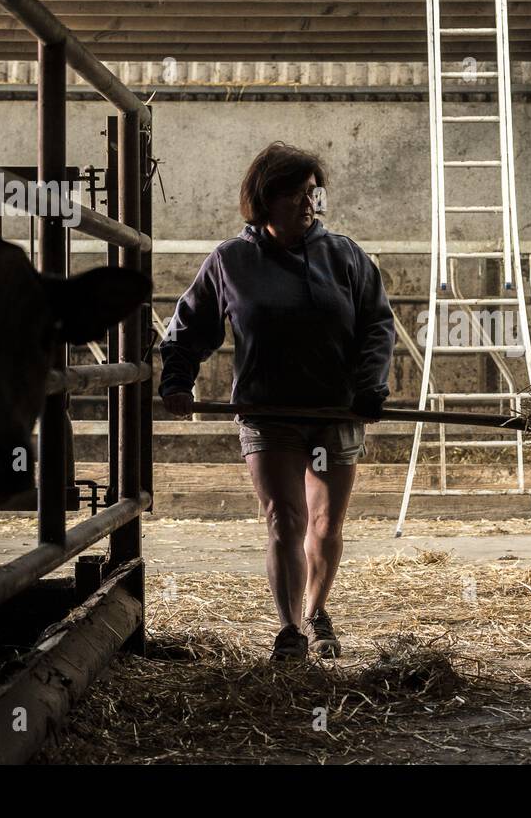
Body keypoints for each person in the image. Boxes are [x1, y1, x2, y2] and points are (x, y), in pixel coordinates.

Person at [158, 142, 396, 662]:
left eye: (313, 192)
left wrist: (370, 385)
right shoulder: (231, 261)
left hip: (337, 411)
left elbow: (377, 325)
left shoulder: (347, 256)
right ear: (264, 198)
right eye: (294, 193)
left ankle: (317, 610)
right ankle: (290, 629)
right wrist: (178, 380)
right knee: (284, 520)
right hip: (269, 413)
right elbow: (189, 327)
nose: (307, 202)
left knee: (326, 523)